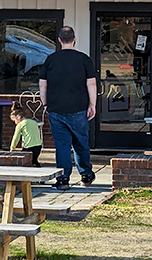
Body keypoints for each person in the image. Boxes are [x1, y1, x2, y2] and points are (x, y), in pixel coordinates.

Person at [39, 26, 97, 190]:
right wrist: (92, 104)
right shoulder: (84, 59)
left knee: (62, 145)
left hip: (56, 109)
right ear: (74, 39)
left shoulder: (50, 60)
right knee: (80, 143)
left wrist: (45, 103)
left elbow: (43, 85)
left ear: (59, 40)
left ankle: (63, 179)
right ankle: (86, 174)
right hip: (78, 108)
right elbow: (91, 83)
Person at [9, 102, 43, 167]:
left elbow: (16, 137)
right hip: (38, 145)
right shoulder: (33, 122)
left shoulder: (20, 124)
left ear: (18, 117)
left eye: (14, 120)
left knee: (24, 162)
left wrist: (12, 148)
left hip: (29, 147)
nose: (15, 123)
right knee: (34, 161)